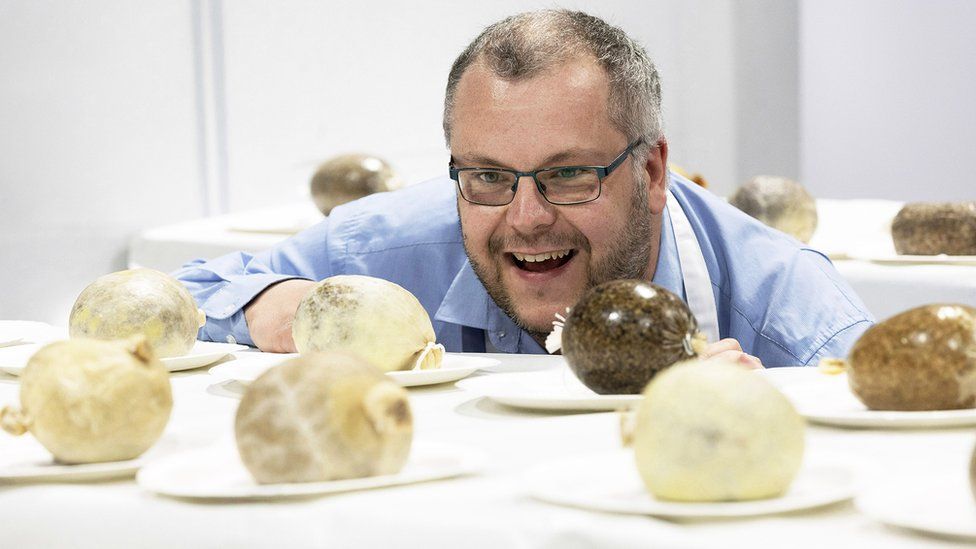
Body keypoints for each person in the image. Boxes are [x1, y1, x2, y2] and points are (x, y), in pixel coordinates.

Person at [175, 9, 873, 367]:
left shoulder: (792, 319)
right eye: (488, 177)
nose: (526, 217)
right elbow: (174, 299)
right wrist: (267, 306)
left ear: (652, 173)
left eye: (569, 174)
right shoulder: (386, 247)